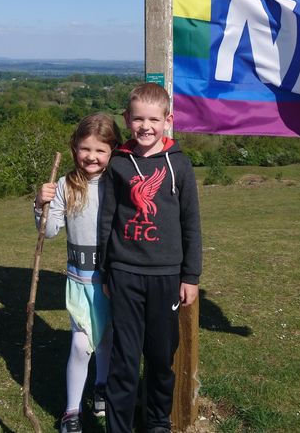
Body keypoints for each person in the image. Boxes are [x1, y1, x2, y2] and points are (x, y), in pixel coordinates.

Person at [97, 83, 202, 433]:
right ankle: (119, 428)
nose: (145, 126)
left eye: (153, 120)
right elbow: (106, 219)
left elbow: (191, 223)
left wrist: (191, 276)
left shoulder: (180, 165)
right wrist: (105, 271)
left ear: (167, 120)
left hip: (167, 276)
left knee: (160, 358)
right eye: (138, 119)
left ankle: (158, 424)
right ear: (127, 119)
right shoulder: (118, 165)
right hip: (125, 273)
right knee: (124, 361)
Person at [33, 112, 121, 433]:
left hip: (113, 280)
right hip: (80, 281)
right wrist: (40, 203)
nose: (92, 157)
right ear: (74, 148)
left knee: (108, 338)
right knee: (81, 345)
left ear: (113, 151)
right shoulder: (65, 185)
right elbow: (50, 230)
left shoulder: (117, 183)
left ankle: (101, 388)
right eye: (86, 149)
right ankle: (71, 411)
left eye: (100, 150)